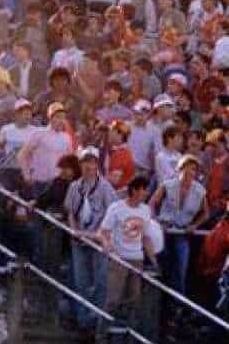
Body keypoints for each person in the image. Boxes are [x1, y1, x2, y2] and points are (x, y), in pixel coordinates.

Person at [96, 176, 160, 342]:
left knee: (135, 300)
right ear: (134, 190)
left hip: (137, 259)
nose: (146, 193)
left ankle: (131, 336)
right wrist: (107, 245)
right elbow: (103, 232)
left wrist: (154, 260)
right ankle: (101, 335)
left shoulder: (145, 210)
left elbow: (146, 237)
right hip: (118, 258)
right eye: (144, 189)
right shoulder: (116, 208)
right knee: (113, 299)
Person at [63, 146, 117, 330]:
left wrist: (100, 234)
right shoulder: (74, 186)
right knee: (81, 281)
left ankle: (98, 319)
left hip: (99, 240)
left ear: (97, 165)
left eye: (92, 162)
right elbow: (70, 211)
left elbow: (111, 213)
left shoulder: (105, 187)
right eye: (85, 162)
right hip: (79, 240)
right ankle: (82, 319)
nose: (88, 166)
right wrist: (74, 230)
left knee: (101, 280)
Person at [151, 154, 210, 294]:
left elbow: (205, 213)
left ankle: (178, 299)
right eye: (187, 168)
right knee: (162, 264)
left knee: (182, 264)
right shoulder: (167, 185)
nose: (190, 172)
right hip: (164, 231)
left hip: (182, 232)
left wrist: (195, 225)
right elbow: (152, 203)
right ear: (180, 169)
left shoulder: (200, 191)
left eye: (193, 169)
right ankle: (161, 296)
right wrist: (156, 223)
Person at [17, 102, 75, 193]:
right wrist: (26, 175)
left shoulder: (66, 138)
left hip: (58, 184)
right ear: (50, 118)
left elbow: (70, 162)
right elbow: (22, 155)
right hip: (39, 183)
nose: (61, 120)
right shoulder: (39, 133)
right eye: (58, 117)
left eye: (63, 117)